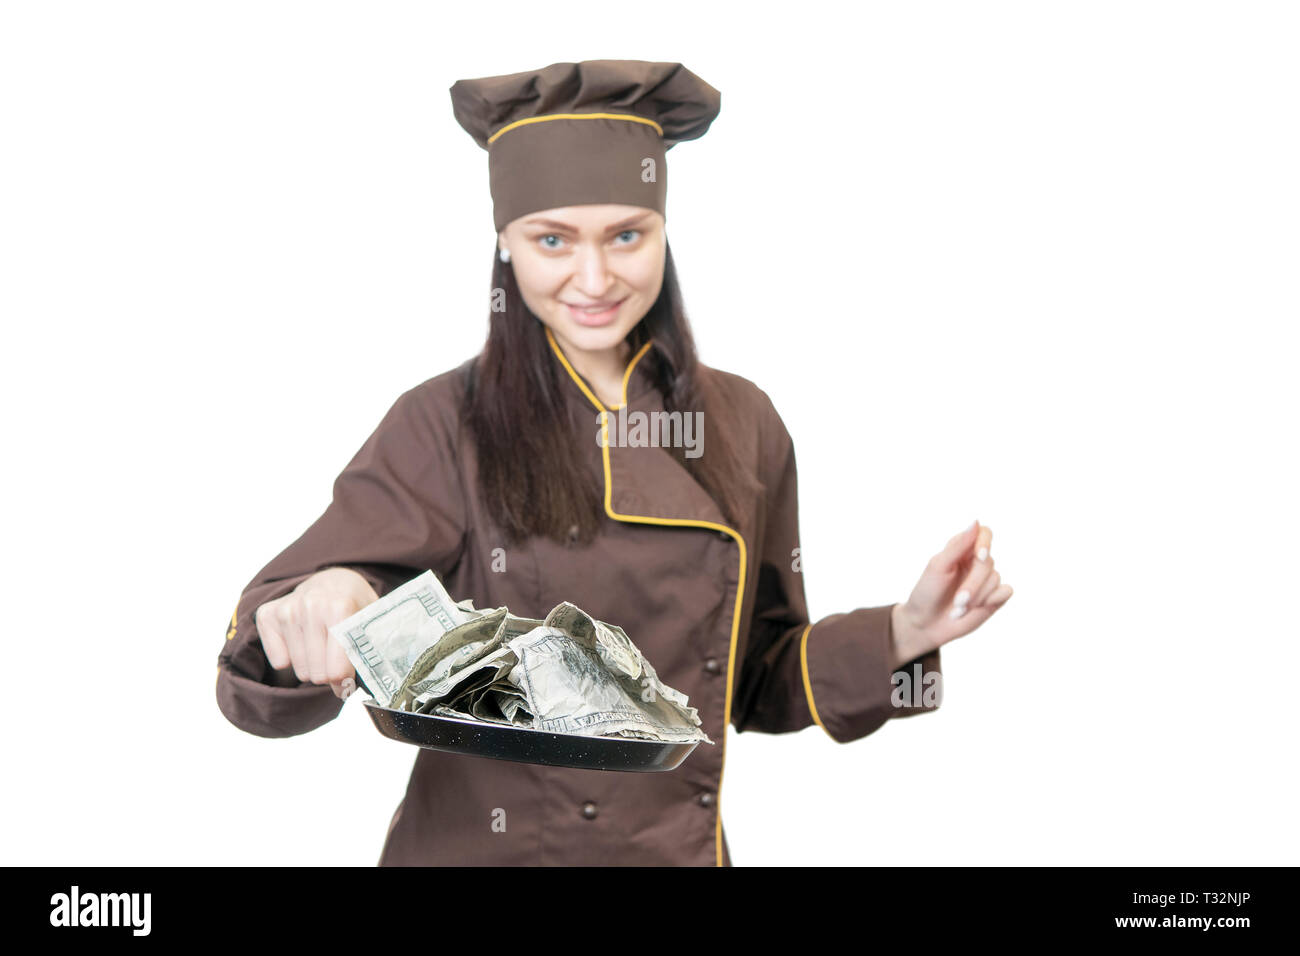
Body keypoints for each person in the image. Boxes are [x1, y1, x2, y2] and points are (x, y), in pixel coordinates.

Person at [215, 59, 1013, 866]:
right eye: (552, 239)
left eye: (626, 235)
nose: (593, 279)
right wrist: (328, 598)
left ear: (663, 232)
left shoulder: (742, 422)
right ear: (506, 244)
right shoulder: (444, 420)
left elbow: (754, 679)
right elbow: (277, 648)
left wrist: (905, 633)